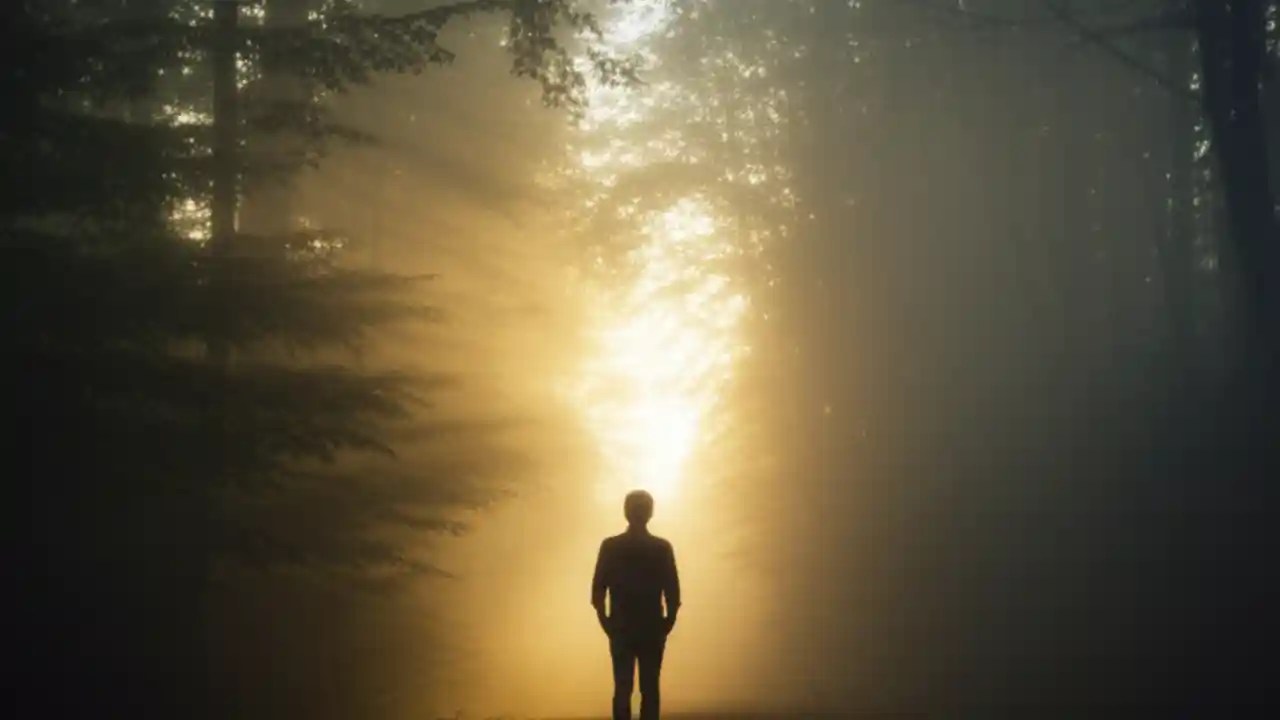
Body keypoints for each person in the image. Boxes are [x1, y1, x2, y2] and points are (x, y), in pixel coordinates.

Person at [591, 490, 681, 720]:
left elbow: (598, 590)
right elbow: (672, 591)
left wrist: (607, 623)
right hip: (648, 627)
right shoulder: (661, 548)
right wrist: (667, 623)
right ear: (650, 513)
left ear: (625, 511)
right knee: (649, 688)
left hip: (623, 627)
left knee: (624, 687)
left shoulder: (612, 547)